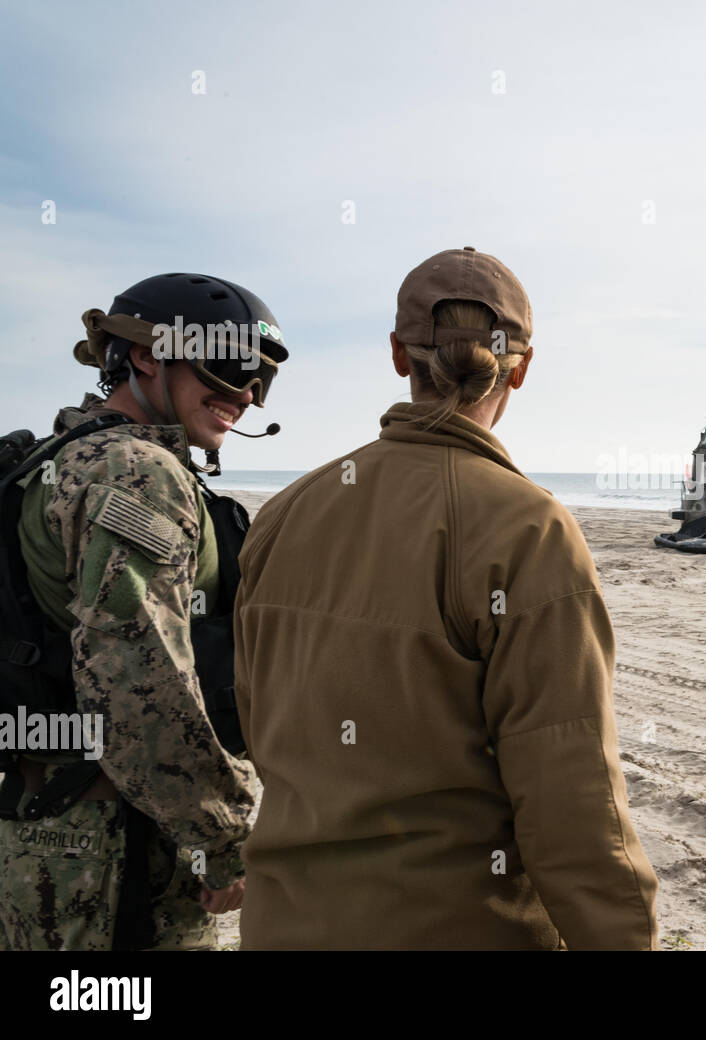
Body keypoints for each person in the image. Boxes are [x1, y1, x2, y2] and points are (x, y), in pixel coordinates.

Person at [234, 246, 659, 950]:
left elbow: (260, 726)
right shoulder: (528, 529)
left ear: (399, 356)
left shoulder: (286, 513)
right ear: (520, 368)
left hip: (286, 925)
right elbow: (569, 799)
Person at [0, 273, 285, 949]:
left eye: (261, 380)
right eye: (229, 365)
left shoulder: (59, 458)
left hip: (47, 831)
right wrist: (220, 836)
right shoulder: (137, 473)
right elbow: (137, 680)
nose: (244, 395)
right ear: (148, 355)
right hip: (116, 853)